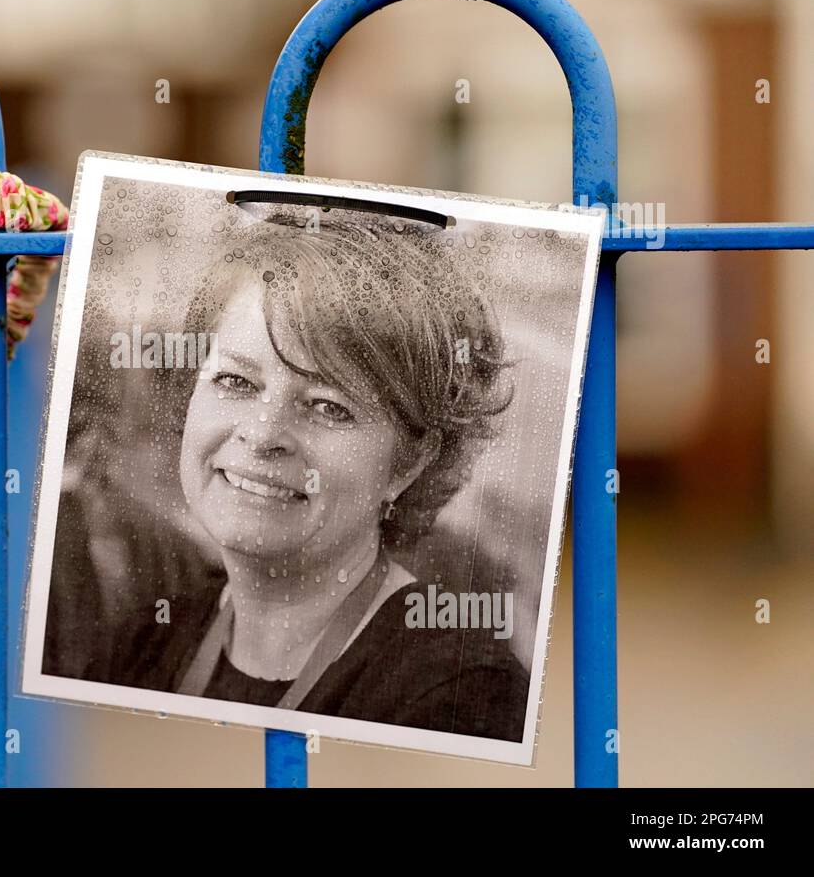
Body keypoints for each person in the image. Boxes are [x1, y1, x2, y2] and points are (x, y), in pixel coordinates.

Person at [45, 208, 530, 742]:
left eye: (328, 406)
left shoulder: (462, 695)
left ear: (410, 463)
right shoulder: (142, 644)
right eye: (235, 380)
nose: (262, 433)